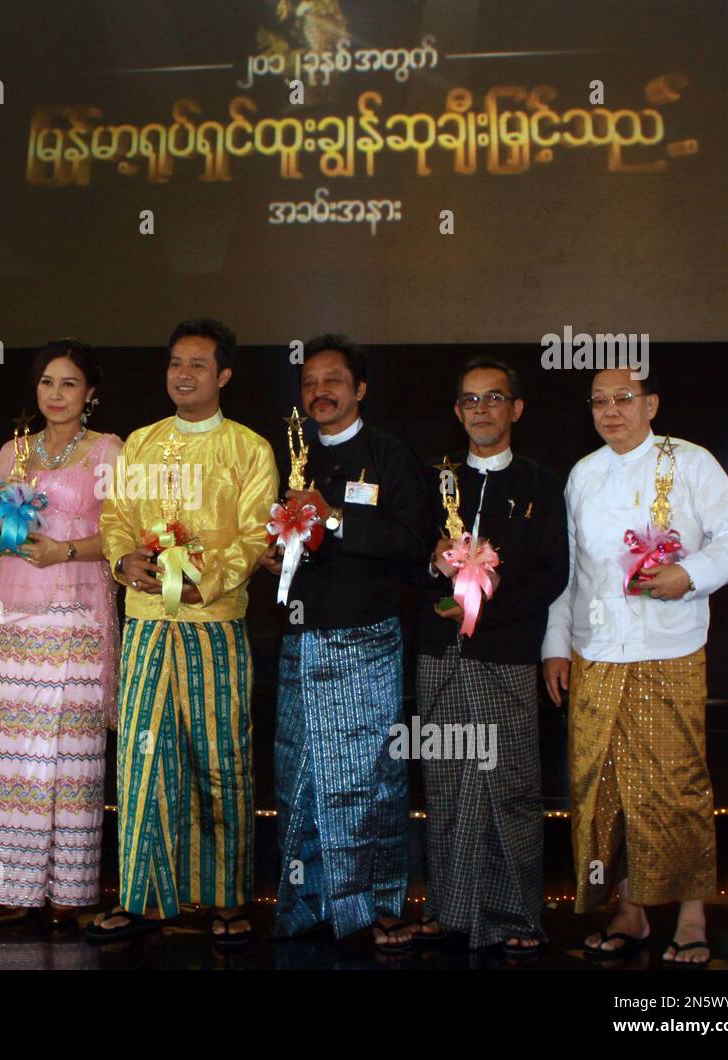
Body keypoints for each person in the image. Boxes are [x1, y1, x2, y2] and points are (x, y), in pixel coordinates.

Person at [543, 367, 728, 965]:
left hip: (669, 649)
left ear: (652, 404)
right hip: (597, 654)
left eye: (624, 399)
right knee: (604, 787)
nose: (612, 411)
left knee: (676, 785)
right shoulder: (582, 475)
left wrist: (689, 576)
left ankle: (691, 917)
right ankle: (629, 910)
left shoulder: (691, 462)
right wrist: (555, 645)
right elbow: (571, 575)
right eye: (599, 401)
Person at [88, 318, 278, 947]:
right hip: (146, 625)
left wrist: (210, 581)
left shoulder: (249, 449)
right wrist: (123, 561)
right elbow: (116, 515)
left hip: (213, 627)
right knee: (141, 761)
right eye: (175, 363)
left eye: (198, 364)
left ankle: (225, 899)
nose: (183, 374)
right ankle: (143, 898)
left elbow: (255, 536)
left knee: (220, 760)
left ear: (223, 375)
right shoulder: (140, 443)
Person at [256, 336, 428, 948]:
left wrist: (330, 518)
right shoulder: (293, 458)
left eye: (333, 381)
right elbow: (278, 542)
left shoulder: (389, 455)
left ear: (360, 390)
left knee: (366, 780)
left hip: (366, 643)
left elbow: (412, 542)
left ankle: (373, 910)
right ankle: (307, 909)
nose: (319, 393)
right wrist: (277, 561)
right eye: (309, 384)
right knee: (299, 779)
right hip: (300, 642)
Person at [411, 356, 568, 957]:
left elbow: (555, 571)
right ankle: (449, 911)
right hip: (439, 653)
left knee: (511, 788)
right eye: (471, 400)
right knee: (447, 785)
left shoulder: (538, 483)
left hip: (505, 656)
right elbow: (406, 558)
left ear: (516, 409)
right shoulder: (434, 480)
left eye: (494, 399)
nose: (482, 410)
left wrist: (492, 600)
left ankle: (516, 915)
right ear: (458, 411)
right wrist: (435, 566)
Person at [0, 341, 122, 930]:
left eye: (69, 384)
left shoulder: (109, 450)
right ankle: (12, 889)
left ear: (90, 392)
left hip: (77, 616)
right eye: (47, 383)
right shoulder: (15, 451)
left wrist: (64, 549)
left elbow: (124, 533)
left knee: (72, 757)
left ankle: (72, 890)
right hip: (15, 617)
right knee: (16, 758)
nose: (55, 395)